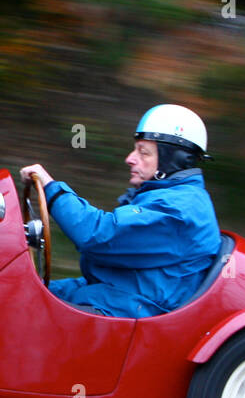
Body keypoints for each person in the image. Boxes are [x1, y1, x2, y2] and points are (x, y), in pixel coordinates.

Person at [19, 104, 222, 318]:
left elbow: (97, 235)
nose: (130, 158)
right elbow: (110, 274)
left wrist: (51, 189)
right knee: (23, 293)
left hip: (138, 313)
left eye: (143, 152)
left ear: (172, 160)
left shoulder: (178, 210)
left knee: (30, 314)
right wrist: (37, 288)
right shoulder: (169, 197)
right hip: (120, 298)